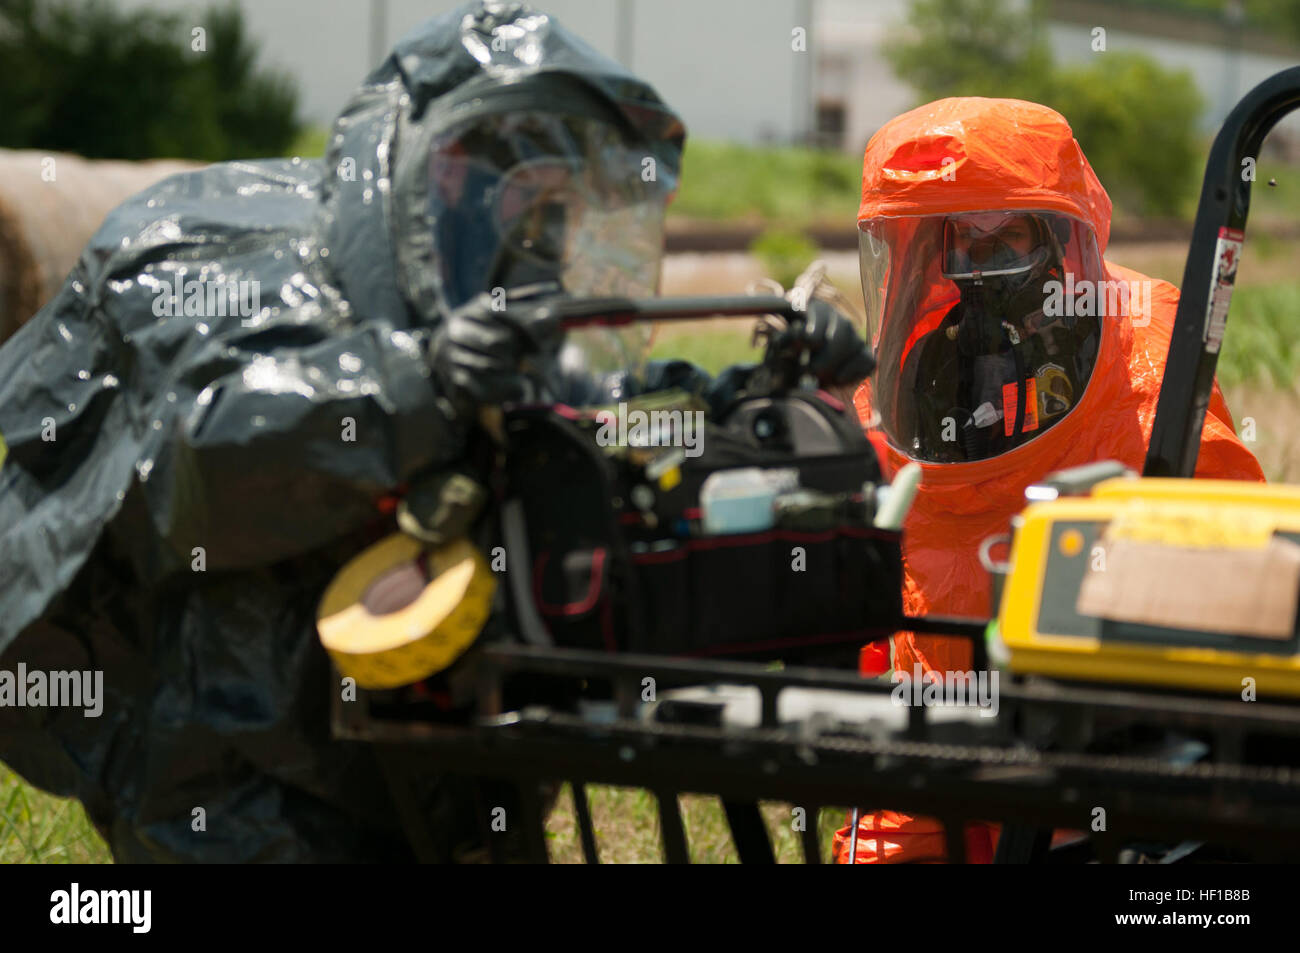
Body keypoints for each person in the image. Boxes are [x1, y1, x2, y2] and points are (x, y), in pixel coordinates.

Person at [0, 1, 869, 862]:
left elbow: (594, 415)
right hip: (237, 789)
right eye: (502, 178)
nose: (531, 219)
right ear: (418, 166)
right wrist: (418, 383)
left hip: (440, 760)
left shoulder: (492, 274)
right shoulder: (241, 269)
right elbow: (203, 463)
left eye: (555, 194)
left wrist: (755, 393)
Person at [836, 96, 1265, 864]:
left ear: (1057, 234)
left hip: (1101, 725)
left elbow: (1223, 532)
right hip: (941, 716)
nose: (984, 258)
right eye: (962, 238)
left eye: (1008, 234)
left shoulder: (1144, 344)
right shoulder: (916, 368)